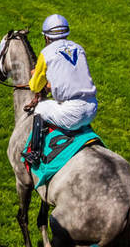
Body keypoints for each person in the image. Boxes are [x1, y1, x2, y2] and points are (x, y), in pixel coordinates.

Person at [24, 14, 98, 161]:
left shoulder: (46, 53)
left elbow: (34, 85)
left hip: (73, 113)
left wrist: (38, 77)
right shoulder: (79, 48)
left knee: (41, 107)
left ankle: (35, 153)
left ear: (46, 37)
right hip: (92, 109)